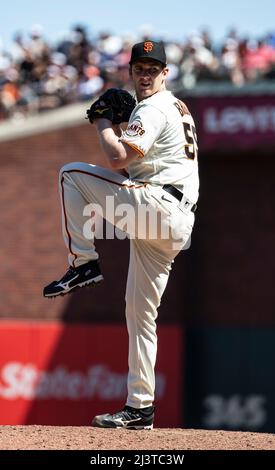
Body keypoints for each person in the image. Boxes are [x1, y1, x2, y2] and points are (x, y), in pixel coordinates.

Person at [43, 40, 199, 429]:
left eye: (153, 69)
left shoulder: (153, 106)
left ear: (165, 74)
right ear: (131, 72)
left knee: (71, 174)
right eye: (140, 68)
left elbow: (116, 159)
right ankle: (140, 408)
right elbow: (138, 165)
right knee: (140, 314)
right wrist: (119, 126)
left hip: (160, 207)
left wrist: (101, 122)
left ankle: (83, 263)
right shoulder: (177, 106)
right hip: (170, 220)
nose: (146, 75)